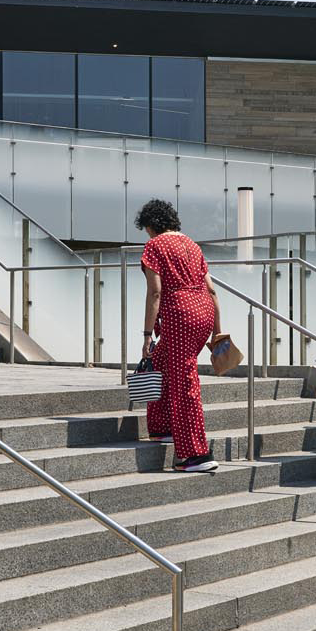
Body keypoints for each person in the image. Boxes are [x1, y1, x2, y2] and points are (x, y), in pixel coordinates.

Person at [137, 198, 221, 474]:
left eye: (146, 229)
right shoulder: (192, 245)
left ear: (151, 225)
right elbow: (212, 290)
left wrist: (147, 334)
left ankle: (195, 454)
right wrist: (217, 330)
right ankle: (162, 428)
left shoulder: (155, 245)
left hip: (180, 314)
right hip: (203, 312)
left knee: (184, 381)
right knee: (162, 361)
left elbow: (155, 292)